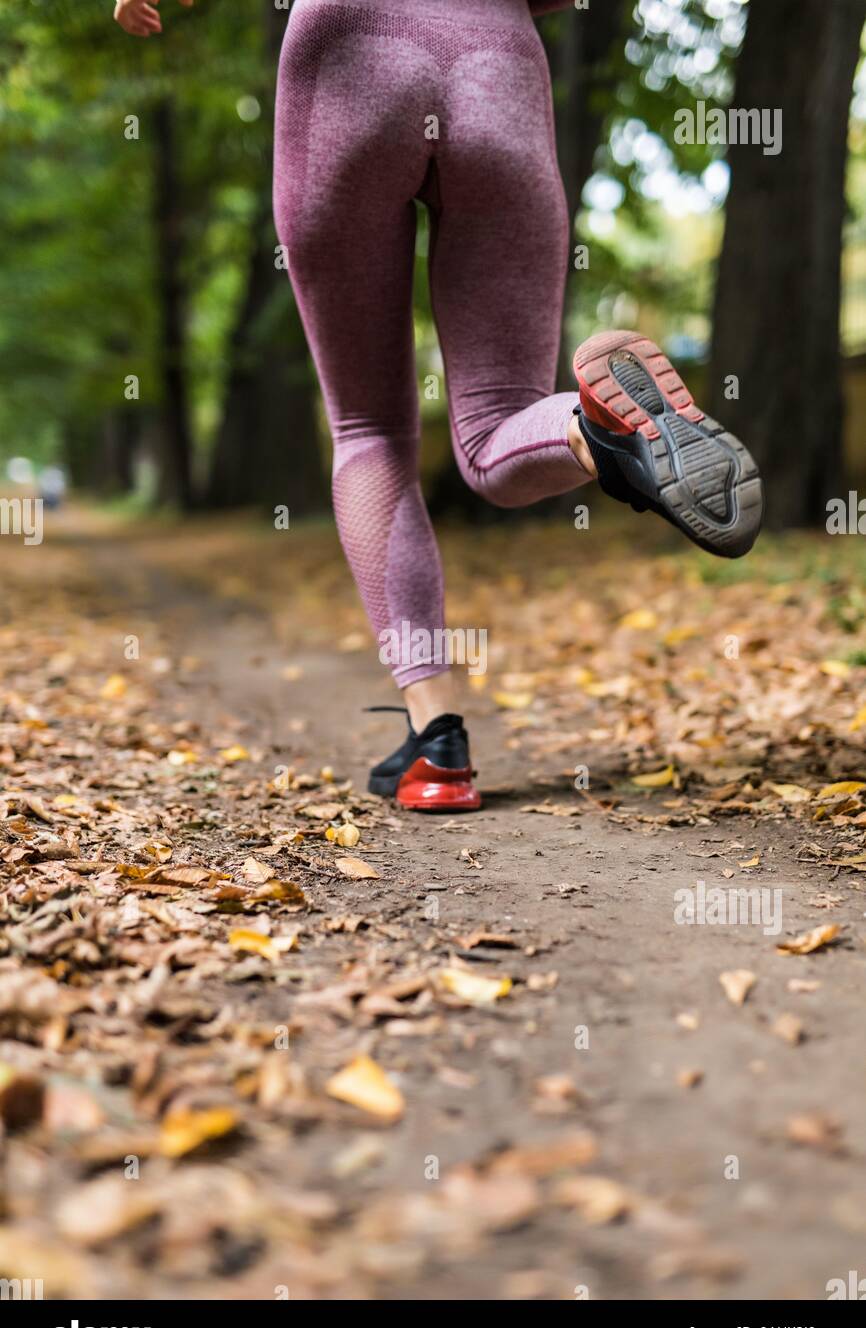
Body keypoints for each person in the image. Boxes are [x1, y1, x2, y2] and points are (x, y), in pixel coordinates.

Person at [113, 0, 763, 812]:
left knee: (368, 429)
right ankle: (595, 428)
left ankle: (439, 738)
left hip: (344, 59)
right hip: (497, 63)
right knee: (496, 432)